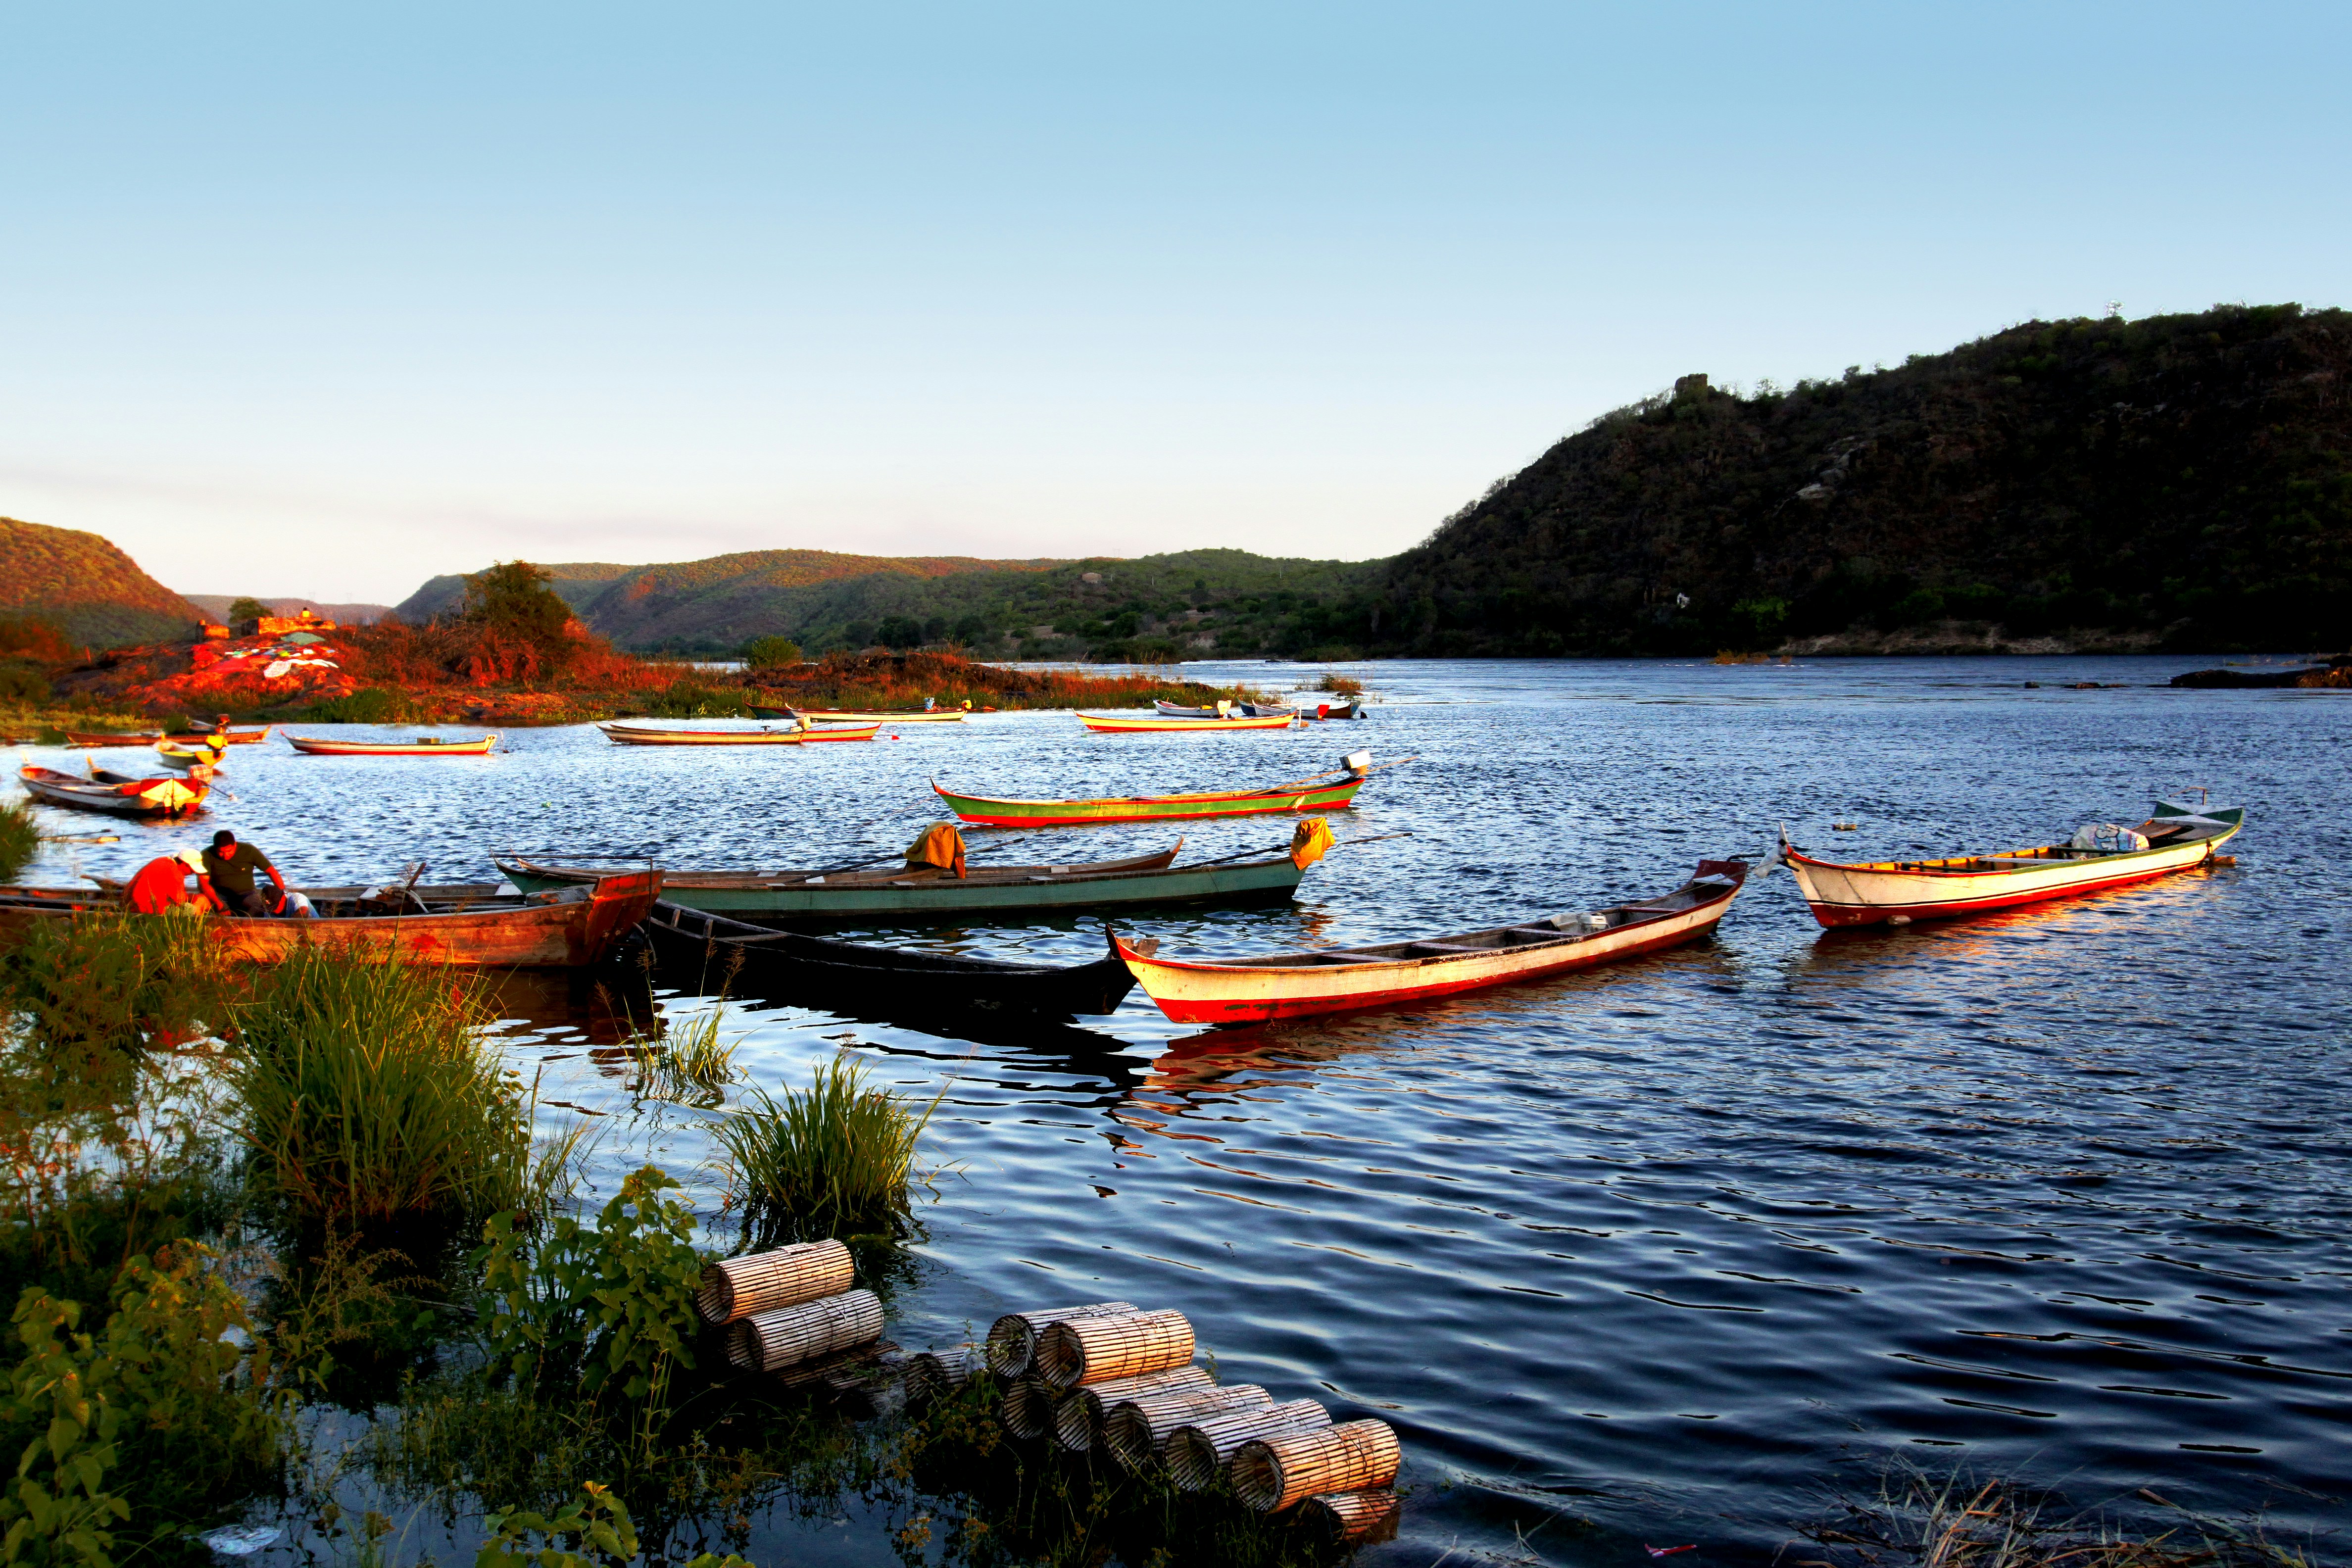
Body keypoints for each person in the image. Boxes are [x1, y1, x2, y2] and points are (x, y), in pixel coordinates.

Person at [201, 830, 291, 918]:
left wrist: (283, 894)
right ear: (215, 848)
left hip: (247, 894)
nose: (226, 855)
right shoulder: (207, 854)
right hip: (219, 895)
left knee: (257, 908)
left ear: (235, 845)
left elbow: (272, 872)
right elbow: (203, 884)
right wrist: (219, 904)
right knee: (202, 902)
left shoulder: (249, 850)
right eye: (221, 852)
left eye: (229, 851)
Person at [125, 849, 220, 915]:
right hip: (147, 910)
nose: (192, 873)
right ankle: (194, 931)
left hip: (133, 905)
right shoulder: (175, 873)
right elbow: (180, 900)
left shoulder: (161, 861)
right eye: (192, 870)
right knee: (202, 900)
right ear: (184, 864)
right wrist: (196, 898)